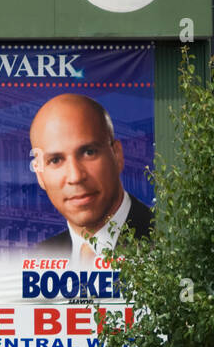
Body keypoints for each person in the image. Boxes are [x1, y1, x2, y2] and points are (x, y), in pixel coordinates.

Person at [28, 93, 153, 266]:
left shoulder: (168, 240)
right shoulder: (37, 258)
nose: (75, 177)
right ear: (40, 175)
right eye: (55, 160)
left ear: (117, 155)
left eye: (89, 152)